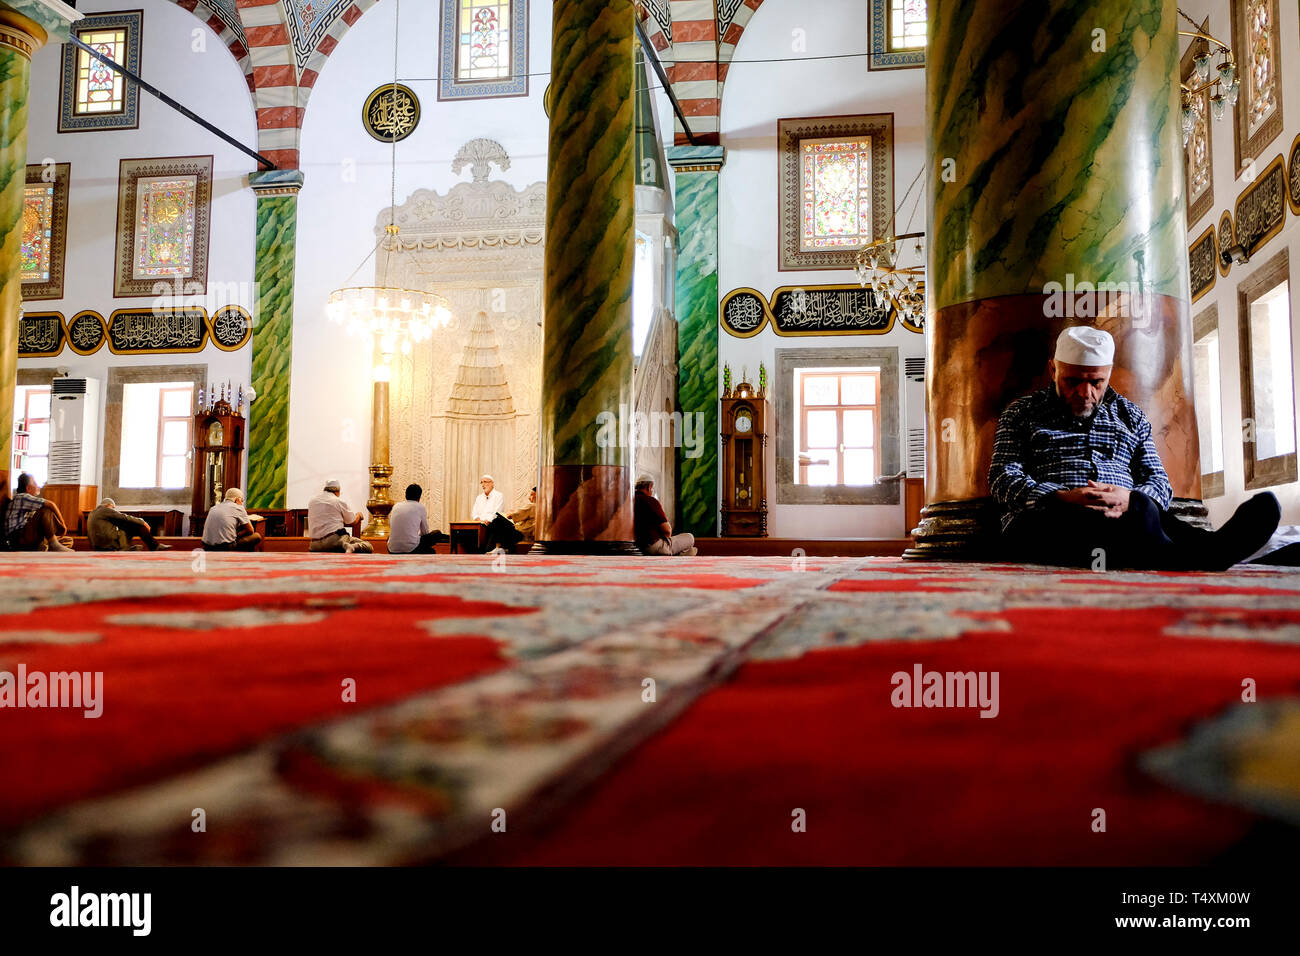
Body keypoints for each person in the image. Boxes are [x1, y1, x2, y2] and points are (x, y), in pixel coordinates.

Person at [990, 326, 1280, 571]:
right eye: (1073, 381)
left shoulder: (1131, 416)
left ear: (1109, 375)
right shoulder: (1021, 414)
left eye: (1096, 382)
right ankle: (1192, 556)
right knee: (1095, 526)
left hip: (1128, 518)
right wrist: (1062, 497)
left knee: (1148, 512)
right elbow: (1003, 478)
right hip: (1050, 518)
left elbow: (1159, 483)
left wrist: (1129, 499)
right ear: (1053, 369)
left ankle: (1204, 548)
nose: (1085, 393)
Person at [2, 473, 72, 552]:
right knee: (45, 510)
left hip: (23, 537)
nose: (38, 486)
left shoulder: (23, 500)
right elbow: (51, 504)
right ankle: (53, 544)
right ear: (28, 488)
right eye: (35, 483)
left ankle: (46, 545)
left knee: (68, 540)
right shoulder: (23, 497)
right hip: (17, 539)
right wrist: (63, 524)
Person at [634, 473, 697, 556]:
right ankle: (671, 554)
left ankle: (677, 555)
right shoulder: (651, 501)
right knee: (690, 537)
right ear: (649, 487)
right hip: (654, 547)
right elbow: (667, 530)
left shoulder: (629, 501)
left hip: (636, 547)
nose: (652, 491)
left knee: (691, 551)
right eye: (652, 488)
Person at [307, 479, 373, 554]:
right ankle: (352, 547)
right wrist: (358, 515)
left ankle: (348, 546)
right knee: (368, 546)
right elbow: (352, 521)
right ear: (337, 491)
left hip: (314, 545)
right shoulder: (337, 501)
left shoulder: (312, 501)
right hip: (333, 542)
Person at [87, 498, 171, 551]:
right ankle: (152, 546)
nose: (113, 510)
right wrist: (142, 522)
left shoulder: (93, 512)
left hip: (96, 545)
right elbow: (123, 516)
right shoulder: (104, 509)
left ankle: (128, 547)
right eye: (113, 508)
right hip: (108, 542)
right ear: (109, 505)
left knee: (125, 525)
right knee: (135, 525)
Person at [388, 483, 448, 555]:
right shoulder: (420, 507)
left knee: (430, 550)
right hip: (411, 549)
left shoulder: (396, 506)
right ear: (419, 496)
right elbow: (425, 532)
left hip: (391, 549)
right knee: (437, 533)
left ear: (406, 495)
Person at [201, 487, 263, 552]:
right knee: (257, 536)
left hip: (207, 547)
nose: (242, 503)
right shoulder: (238, 508)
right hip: (225, 547)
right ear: (237, 499)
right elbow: (250, 530)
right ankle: (242, 559)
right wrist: (238, 535)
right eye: (242, 500)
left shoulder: (213, 508)